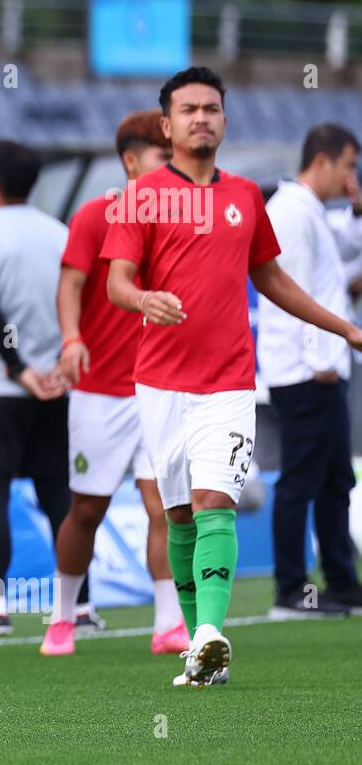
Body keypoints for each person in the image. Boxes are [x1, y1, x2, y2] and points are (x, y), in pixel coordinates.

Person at [104, 66, 362, 687]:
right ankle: (199, 645)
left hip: (228, 381)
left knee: (214, 500)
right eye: (189, 110)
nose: (202, 118)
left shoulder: (246, 197)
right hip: (160, 382)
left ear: (224, 119)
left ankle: (212, 634)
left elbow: (269, 277)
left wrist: (344, 328)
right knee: (180, 518)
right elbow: (116, 282)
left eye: (212, 108)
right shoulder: (140, 196)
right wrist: (145, 301)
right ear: (167, 126)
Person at [40, 110, 189, 658]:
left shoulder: (188, 219)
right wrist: (71, 337)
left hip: (162, 386)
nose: (173, 167)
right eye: (161, 156)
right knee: (86, 510)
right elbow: (70, 283)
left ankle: (169, 624)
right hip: (100, 389)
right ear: (131, 161)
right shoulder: (95, 215)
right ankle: (61, 617)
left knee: (167, 506)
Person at [0, 141, 74, 637]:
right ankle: (77, 605)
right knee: (59, 497)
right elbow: (77, 300)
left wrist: (16, 365)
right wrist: (53, 365)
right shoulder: (60, 232)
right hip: (56, 383)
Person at [257, 123, 362, 617]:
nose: (349, 179)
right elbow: (293, 293)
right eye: (347, 167)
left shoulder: (310, 211)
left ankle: (340, 582)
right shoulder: (292, 212)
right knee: (302, 479)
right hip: (305, 370)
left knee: (334, 478)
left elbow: (339, 256)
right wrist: (321, 360)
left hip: (321, 368)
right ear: (322, 162)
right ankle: (291, 588)